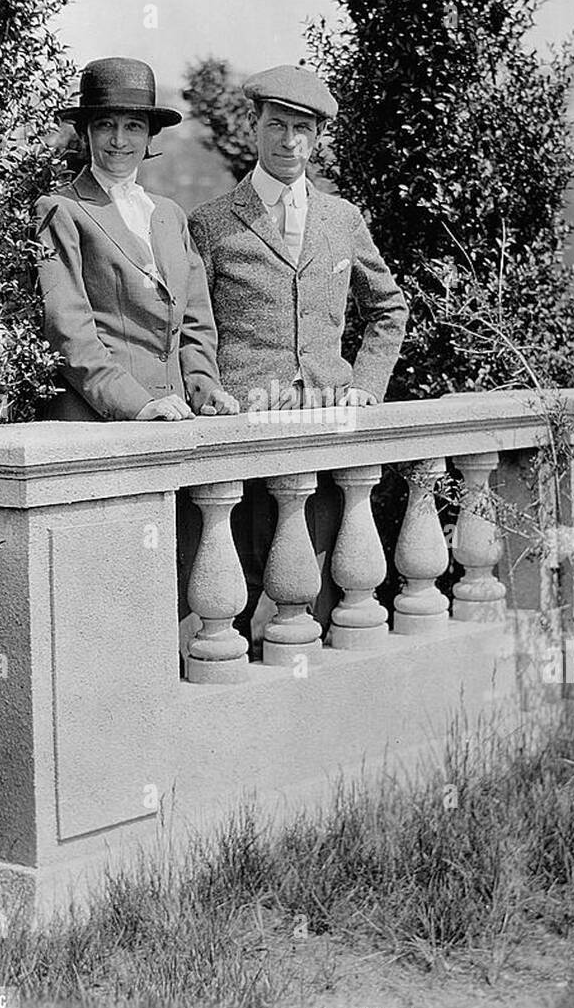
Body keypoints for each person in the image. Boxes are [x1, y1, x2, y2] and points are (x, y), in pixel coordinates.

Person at [188, 64, 408, 638]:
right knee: (236, 586)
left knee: (326, 583)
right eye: (277, 126)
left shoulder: (343, 219)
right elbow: (192, 327)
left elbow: (388, 308)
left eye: (302, 130)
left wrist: (366, 382)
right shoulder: (210, 224)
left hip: (323, 427)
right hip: (242, 434)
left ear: (318, 138)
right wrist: (207, 388)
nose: (289, 142)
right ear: (254, 127)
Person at [35, 57, 239, 422]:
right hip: (96, 419)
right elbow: (67, 328)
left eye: (133, 126)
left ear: (148, 137)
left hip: (173, 417)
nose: (118, 140)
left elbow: (195, 323)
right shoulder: (60, 210)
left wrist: (205, 391)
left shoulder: (169, 215)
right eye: (104, 125)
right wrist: (136, 404)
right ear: (85, 133)